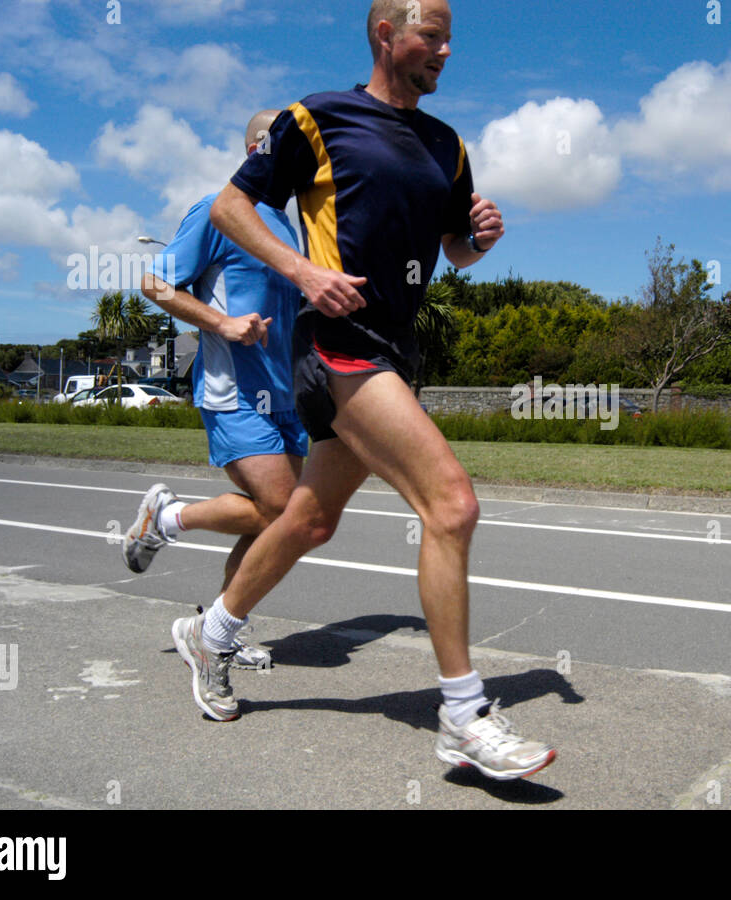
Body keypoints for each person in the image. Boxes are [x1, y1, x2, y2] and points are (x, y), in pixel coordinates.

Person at [171, 0, 555, 780]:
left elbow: (455, 250)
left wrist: (478, 237)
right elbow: (229, 206)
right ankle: (464, 715)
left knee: (310, 521)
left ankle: (209, 635)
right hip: (337, 346)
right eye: (431, 36)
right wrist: (301, 270)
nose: (445, 51)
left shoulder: (446, 144)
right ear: (386, 33)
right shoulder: (317, 118)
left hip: (394, 348)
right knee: (451, 505)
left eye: (450, 39)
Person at [124, 110, 309, 669]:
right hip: (232, 389)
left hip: (285, 397)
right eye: (293, 145)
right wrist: (223, 324)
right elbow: (154, 282)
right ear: (259, 148)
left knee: (272, 524)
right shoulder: (217, 209)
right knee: (280, 510)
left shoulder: (286, 224)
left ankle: (220, 628)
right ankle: (167, 519)